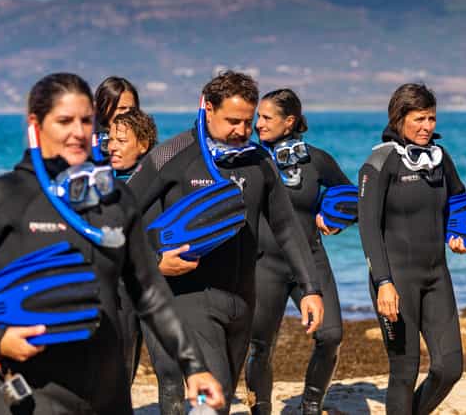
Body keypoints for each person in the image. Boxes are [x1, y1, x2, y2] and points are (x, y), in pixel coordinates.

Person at [0, 72, 223, 414]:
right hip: (32, 391)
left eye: (86, 120)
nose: (78, 132)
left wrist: (193, 366)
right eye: (64, 121)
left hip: (107, 390)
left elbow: (150, 292)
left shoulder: (114, 200)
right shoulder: (3, 197)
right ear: (35, 124)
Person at [127, 71, 325, 415]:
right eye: (232, 121)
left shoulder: (259, 160)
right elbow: (118, 218)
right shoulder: (173, 154)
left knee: (212, 403)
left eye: (248, 122)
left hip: (242, 302)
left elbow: (286, 227)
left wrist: (310, 288)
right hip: (190, 299)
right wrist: (154, 258)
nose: (242, 130)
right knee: (212, 403)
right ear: (207, 108)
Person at [358, 83, 466, 415]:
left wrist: (459, 233)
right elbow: (368, 227)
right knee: (404, 372)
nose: (427, 127)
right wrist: (383, 283)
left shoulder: (440, 159)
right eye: (419, 119)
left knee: (450, 367)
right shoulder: (380, 162)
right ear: (399, 118)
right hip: (395, 280)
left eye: (432, 118)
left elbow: (458, 202)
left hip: (436, 276)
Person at [245, 88, 350, 415]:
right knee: (260, 347)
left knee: (331, 335)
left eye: (266, 118)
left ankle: (310, 407)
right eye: (257, 117)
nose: (257, 124)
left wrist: (333, 219)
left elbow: (348, 198)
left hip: (311, 260)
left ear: (289, 122)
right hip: (265, 266)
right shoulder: (248, 160)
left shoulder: (317, 160)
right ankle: (260, 409)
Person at [105, 107, 159, 383]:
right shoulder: (102, 182)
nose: (112, 147)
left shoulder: (161, 183)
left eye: (121, 141)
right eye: (110, 140)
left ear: (143, 145)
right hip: (114, 290)